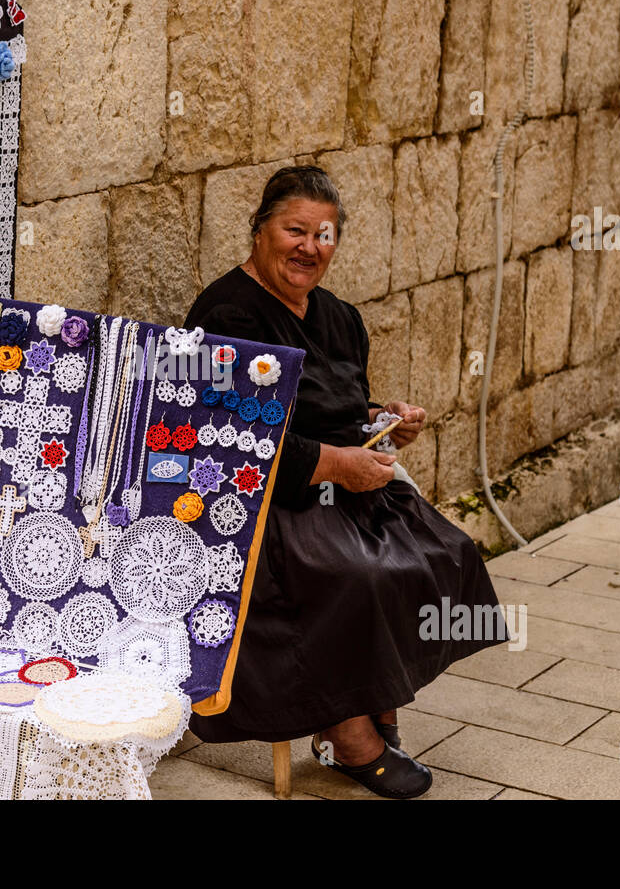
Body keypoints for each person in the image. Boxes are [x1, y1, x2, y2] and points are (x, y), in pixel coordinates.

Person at [184, 165, 508, 799]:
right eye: (294, 230)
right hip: (266, 499)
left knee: (444, 554)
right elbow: (219, 433)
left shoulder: (340, 317)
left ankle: (375, 700)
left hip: (351, 486)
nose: (308, 247)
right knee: (355, 574)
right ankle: (345, 730)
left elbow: (341, 408)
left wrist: (384, 423)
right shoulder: (226, 315)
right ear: (260, 231)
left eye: (323, 235)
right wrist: (335, 465)